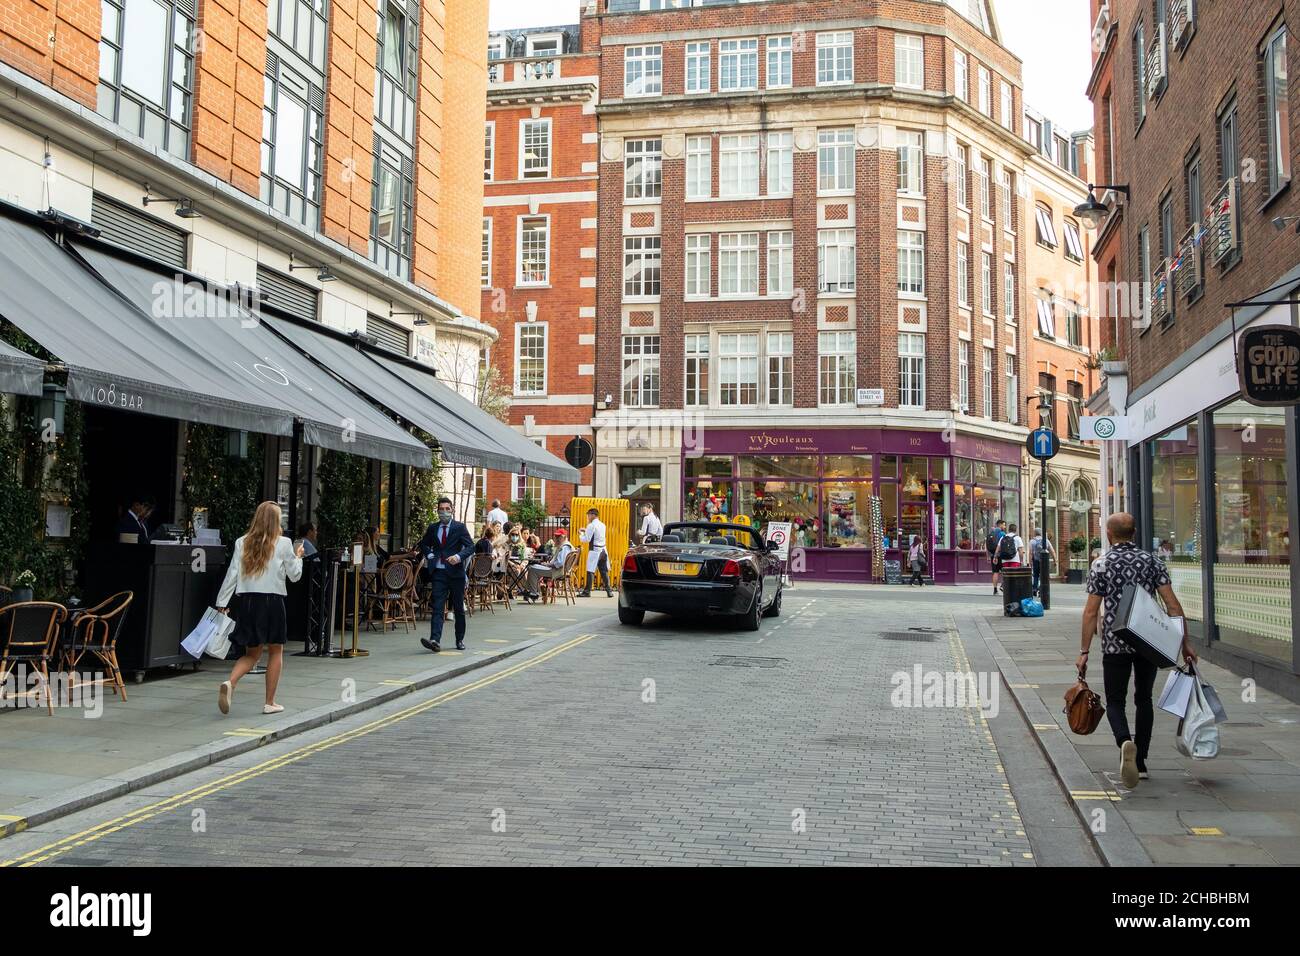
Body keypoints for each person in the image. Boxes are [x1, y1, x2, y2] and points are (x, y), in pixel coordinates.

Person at [1079, 513, 1197, 789]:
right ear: (1134, 533)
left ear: (1109, 535)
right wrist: (1185, 643)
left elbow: (1090, 612)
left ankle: (1124, 742)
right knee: (1143, 699)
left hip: (1114, 642)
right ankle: (1141, 762)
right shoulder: (1153, 561)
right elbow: (1173, 606)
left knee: (1115, 701)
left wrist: (1084, 650)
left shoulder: (1102, 563)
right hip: (1148, 641)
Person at [214, 501, 304, 716]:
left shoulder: (241, 542)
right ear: (276, 521)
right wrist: (298, 557)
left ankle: (230, 682)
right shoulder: (283, 543)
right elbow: (295, 576)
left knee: (252, 654)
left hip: (247, 603)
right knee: (275, 650)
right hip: (272, 603)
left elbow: (232, 575)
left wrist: (221, 603)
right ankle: (269, 702)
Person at [416, 497, 475, 652]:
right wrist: (428, 553)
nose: (444, 512)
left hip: (456, 574)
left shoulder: (459, 528)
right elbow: (423, 543)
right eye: (441, 509)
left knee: (458, 608)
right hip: (439, 573)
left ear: (452, 510)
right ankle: (435, 639)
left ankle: (459, 639)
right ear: (437, 511)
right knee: (437, 607)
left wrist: (458, 556)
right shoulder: (433, 528)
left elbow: (470, 547)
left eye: (447, 509)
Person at [520, 529, 577, 603]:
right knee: (534, 566)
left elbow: (559, 563)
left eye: (559, 536)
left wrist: (548, 564)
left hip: (556, 571)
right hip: (559, 570)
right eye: (556, 536)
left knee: (531, 568)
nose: (556, 538)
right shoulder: (566, 545)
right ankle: (534, 591)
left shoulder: (565, 547)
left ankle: (533, 593)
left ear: (564, 537)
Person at [577, 508, 612, 597]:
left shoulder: (591, 525)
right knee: (604, 571)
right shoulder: (602, 525)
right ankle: (609, 591)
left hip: (595, 550)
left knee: (590, 571)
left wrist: (580, 534)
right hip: (603, 550)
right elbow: (596, 534)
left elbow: (586, 539)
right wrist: (586, 530)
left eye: (588, 515)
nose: (588, 517)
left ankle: (587, 591)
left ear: (593, 515)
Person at [1029, 528, 1055, 595]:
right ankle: (1041, 590)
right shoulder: (1046, 541)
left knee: (1035, 575)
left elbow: (1031, 553)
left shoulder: (1032, 541)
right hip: (1044, 561)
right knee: (1043, 576)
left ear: (1035, 533)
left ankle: (1034, 589)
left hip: (1036, 560)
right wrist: (1055, 560)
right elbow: (1052, 551)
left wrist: (1030, 562)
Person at [986, 519, 1007, 593]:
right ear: (1000, 525)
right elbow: (1004, 545)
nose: (1004, 527)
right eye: (1004, 525)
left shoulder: (990, 533)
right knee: (1005, 572)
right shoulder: (1002, 534)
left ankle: (995, 589)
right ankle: (1003, 585)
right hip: (1001, 555)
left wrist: (988, 556)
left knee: (995, 572)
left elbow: (987, 546)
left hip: (993, 555)